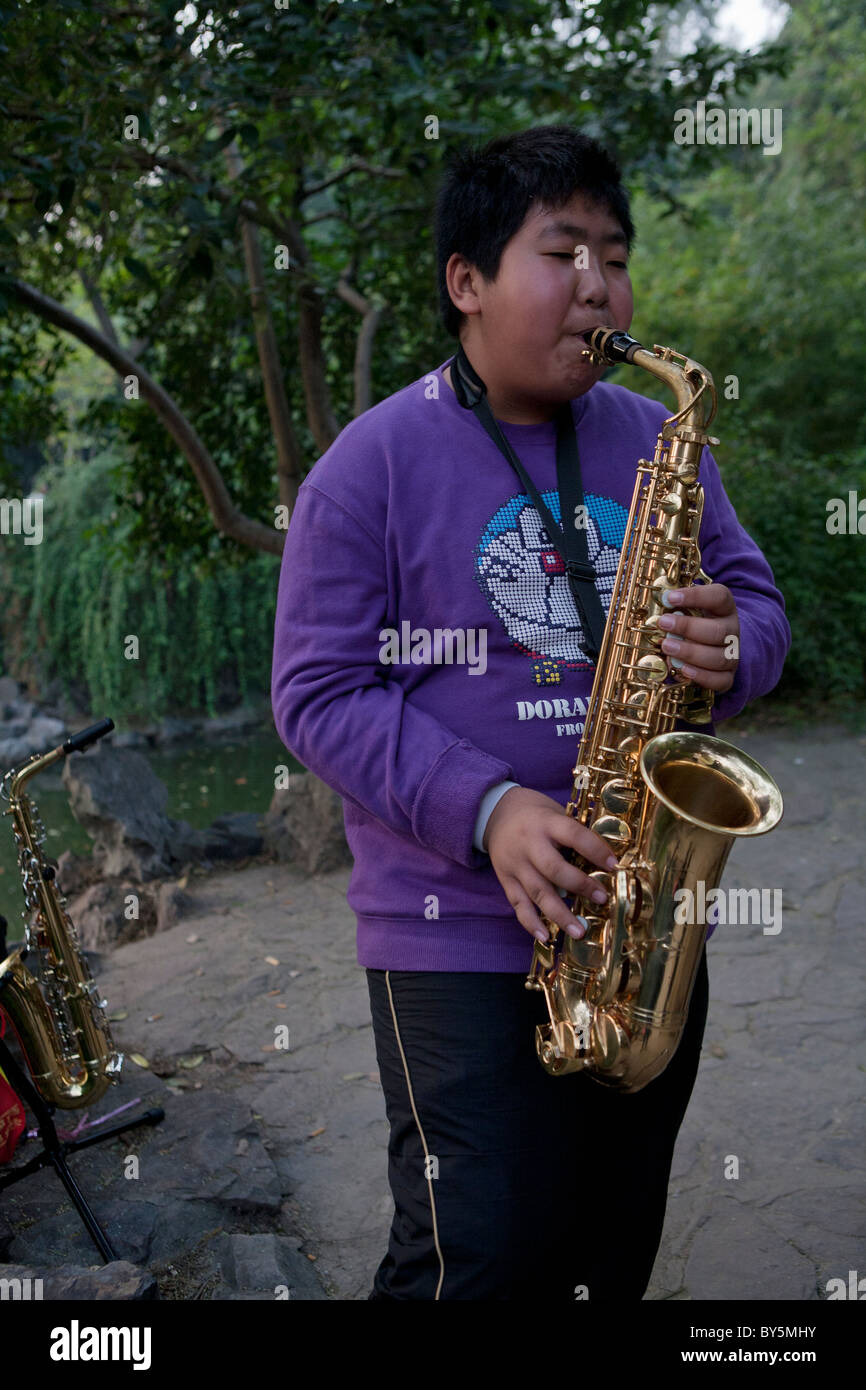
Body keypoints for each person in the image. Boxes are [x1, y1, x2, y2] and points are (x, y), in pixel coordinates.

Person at [270, 124, 791, 1301]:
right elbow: (316, 691)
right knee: (475, 1254)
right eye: (562, 252)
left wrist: (731, 648)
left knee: (610, 1246)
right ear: (466, 281)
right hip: (452, 931)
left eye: (614, 254)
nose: (600, 286)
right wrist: (488, 805)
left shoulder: (656, 436)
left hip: (642, 923)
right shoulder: (366, 468)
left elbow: (754, 601)